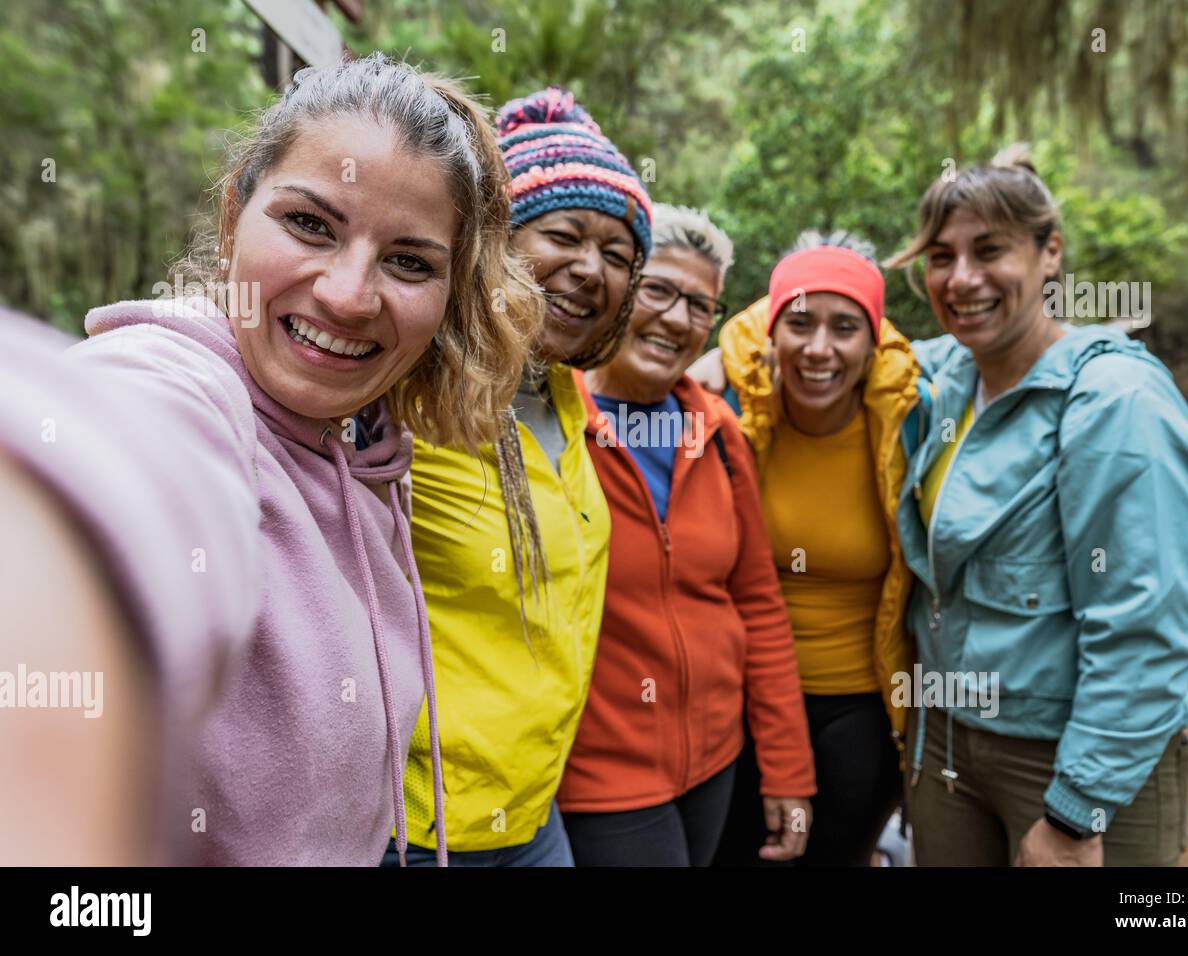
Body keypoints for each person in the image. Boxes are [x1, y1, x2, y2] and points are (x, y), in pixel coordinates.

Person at [0, 54, 537, 866]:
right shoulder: (180, 385)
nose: (350, 295)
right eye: (311, 224)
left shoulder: (367, 444)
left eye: (409, 261)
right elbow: (119, 468)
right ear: (231, 217)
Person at [883, 144, 1188, 866]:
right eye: (940, 256)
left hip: (1068, 763)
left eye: (989, 250)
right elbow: (829, 339)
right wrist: (711, 358)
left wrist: (1075, 812)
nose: (961, 279)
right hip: (945, 743)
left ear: (1049, 252)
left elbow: (1144, 626)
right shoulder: (940, 376)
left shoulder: (1115, 403)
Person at [393, 87, 652, 867]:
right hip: (411, 831)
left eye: (617, 254)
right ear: (495, 239)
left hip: (534, 818)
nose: (589, 268)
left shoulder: (566, 397)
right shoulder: (405, 384)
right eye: (566, 235)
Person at [556, 205, 816, 866]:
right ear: (618, 290)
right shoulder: (550, 423)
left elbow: (757, 600)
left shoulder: (719, 430)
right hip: (598, 777)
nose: (677, 319)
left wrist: (787, 771)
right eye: (659, 291)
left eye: (699, 305)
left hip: (714, 763)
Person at [695, 231, 923, 866]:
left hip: (860, 707)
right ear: (770, 332)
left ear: (872, 341)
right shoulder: (729, 411)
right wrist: (723, 351)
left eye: (845, 327)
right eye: (799, 323)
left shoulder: (909, 424)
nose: (819, 349)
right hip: (737, 700)